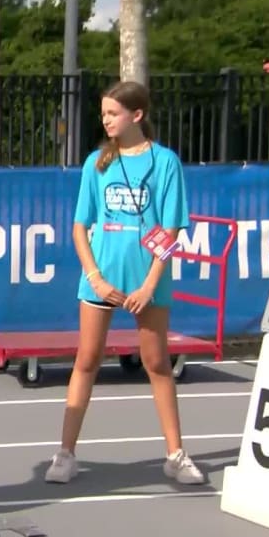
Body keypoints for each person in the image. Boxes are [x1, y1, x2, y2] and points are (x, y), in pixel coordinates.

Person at [44, 80, 208, 486]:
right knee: (87, 360)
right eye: (103, 114)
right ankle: (66, 454)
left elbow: (170, 229)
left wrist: (150, 284)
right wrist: (95, 278)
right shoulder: (96, 163)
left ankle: (175, 454)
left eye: (113, 113)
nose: (106, 120)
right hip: (102, 281)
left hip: (147, 282)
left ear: (137, 115)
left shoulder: (165, 162)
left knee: (156, 363)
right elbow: (80, 226)